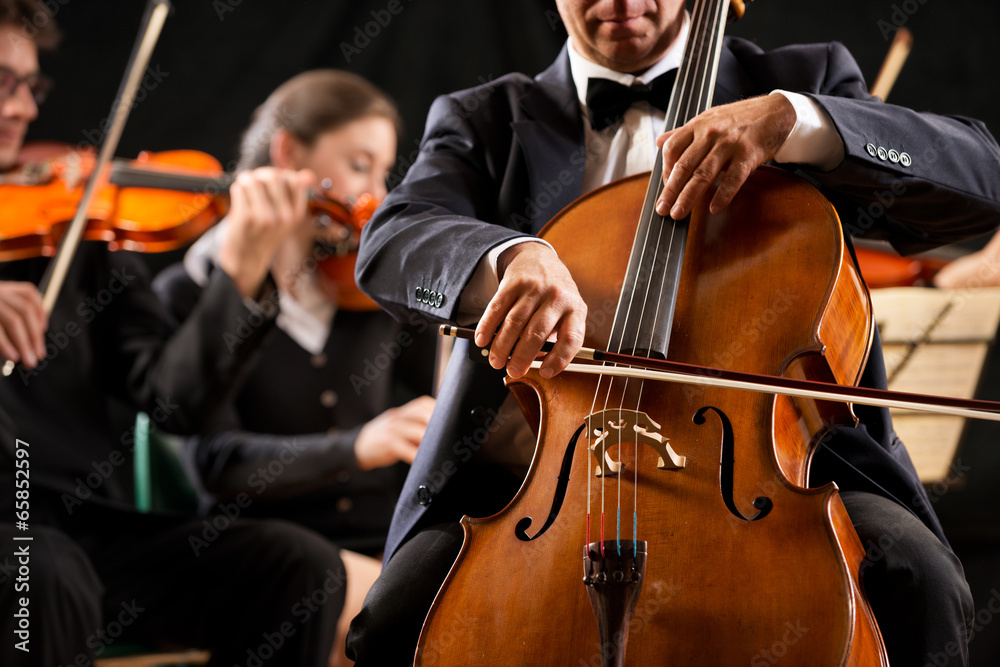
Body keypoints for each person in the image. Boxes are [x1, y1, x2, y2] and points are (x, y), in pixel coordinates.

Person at [346, 1, 1000, 664]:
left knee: (921, 579)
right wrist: (508, 255)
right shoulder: (486, 118)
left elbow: (981, 175)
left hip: (775, 473)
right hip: (530, 486)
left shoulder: (802, 80)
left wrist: (797, 122)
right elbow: (391, 244)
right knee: (392, 620)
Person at [0, 1, 343, 664]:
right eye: (1, 83)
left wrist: (239, 276)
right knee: (38, 571)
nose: (23, 109)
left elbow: (173, 402)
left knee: (294, 566)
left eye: (30, 84)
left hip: (86, 527)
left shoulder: (82, 234)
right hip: (30, 558)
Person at [153, 69, 436, 667]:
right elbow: (216, 463)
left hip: (385, 540)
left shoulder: (366, 287)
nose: (377, 194)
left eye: (384, 172)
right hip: (268, 556)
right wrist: (359, 445)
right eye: (361, 166)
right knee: (382, 620)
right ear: (289, 153)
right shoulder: (189, 295)